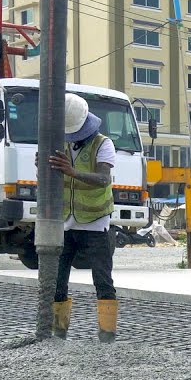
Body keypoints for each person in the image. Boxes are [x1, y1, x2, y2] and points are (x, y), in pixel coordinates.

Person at [47, 93, 119, 343]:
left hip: (95, 223)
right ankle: (59, 332)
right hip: (66, 224)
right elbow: (53, 181)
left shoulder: (103, 144)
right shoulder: (62, 145)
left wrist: (71, 170)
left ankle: (107, 335)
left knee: (102, 279)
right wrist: (43, 168)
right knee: (57, 280)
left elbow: (103, 179)